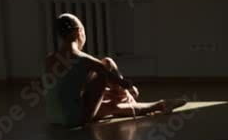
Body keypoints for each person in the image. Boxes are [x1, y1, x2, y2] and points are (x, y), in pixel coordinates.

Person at [44, 13, 186, 127]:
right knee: (107, 66)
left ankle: (159, 104)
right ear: (79, 32)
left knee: (108, 101)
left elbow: (68, 89)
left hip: (54, 117)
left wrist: (107, 92)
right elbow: (115, 78)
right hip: (74, 118)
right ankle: (159, 104)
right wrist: (129, 89)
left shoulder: (49, 59)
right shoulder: (83, 59)